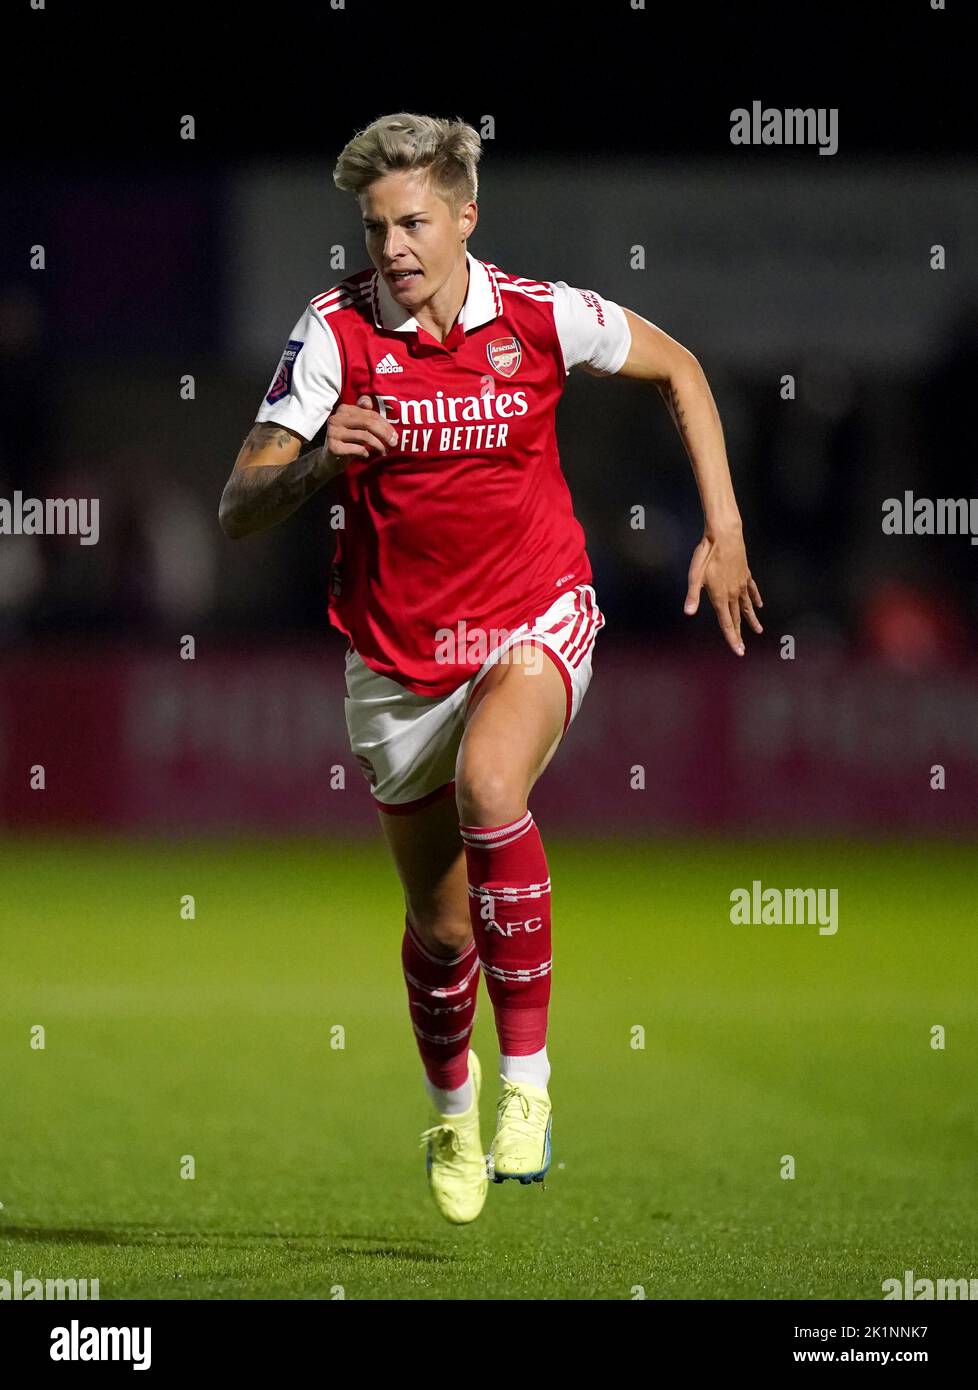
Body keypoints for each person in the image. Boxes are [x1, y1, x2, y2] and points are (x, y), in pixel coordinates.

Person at [219, 112, 762, 1225]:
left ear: (467, 216)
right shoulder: (333, 336)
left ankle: (529, 1086)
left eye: (414, 222)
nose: (395, 249)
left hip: (534, 616)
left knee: (491, 788)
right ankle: (451, 1107)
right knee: (443, 929)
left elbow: (684, 370)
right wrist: (323, 459)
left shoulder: (539, 316)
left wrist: (726, 525)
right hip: (395, 656)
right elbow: (236, 507)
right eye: (377, 230)